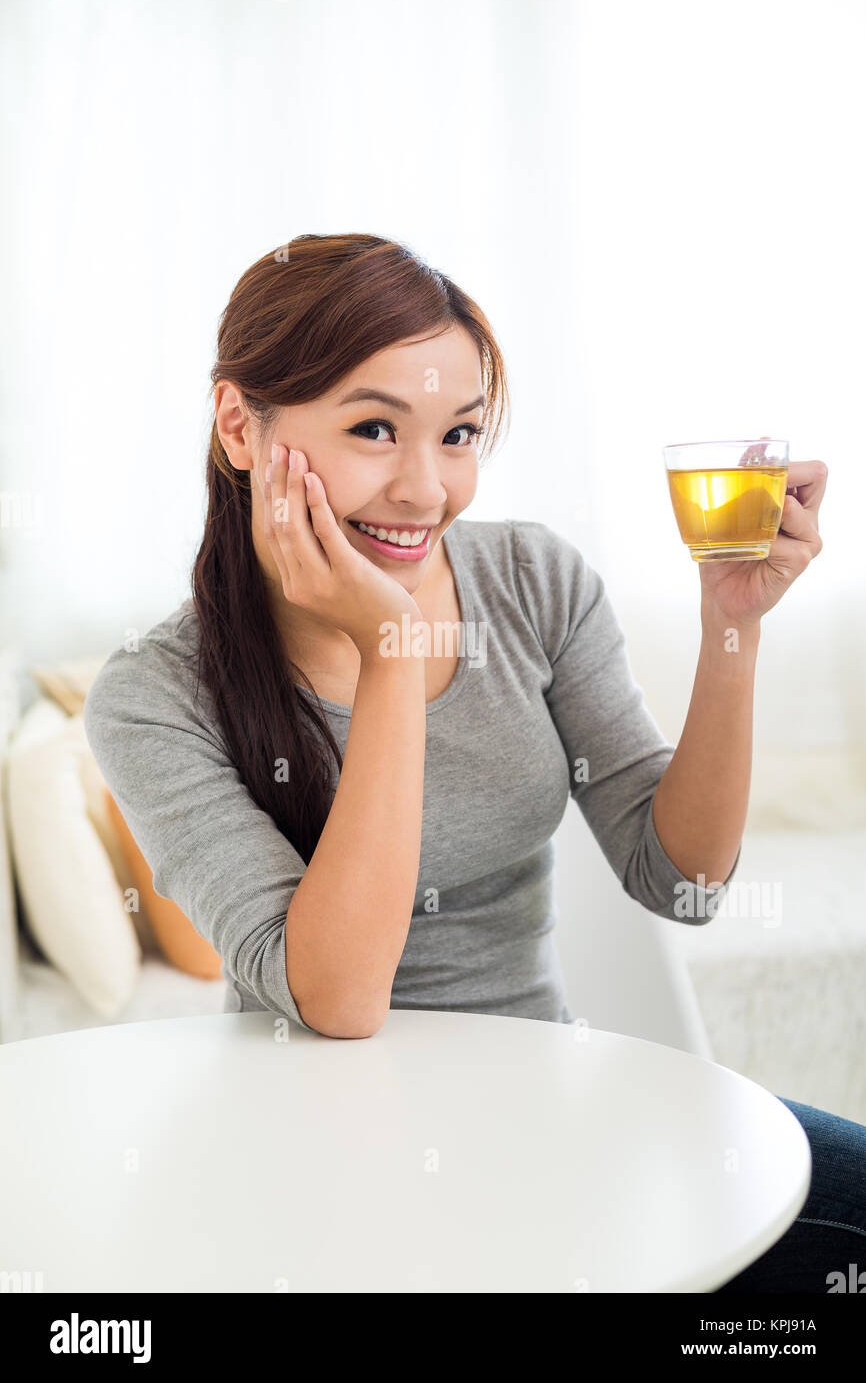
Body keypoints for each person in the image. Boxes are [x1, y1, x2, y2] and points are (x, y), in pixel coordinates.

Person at [84, 232, 860, 1293]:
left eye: (457, 435)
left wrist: (732, 624)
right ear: (239, 425)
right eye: (372, 429)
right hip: (317, 1159)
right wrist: (391, 653)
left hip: (546, 1105)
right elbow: (340, 999)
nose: (424, 488)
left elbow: (679, 883)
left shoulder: (534, 580)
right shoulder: (154, 693)